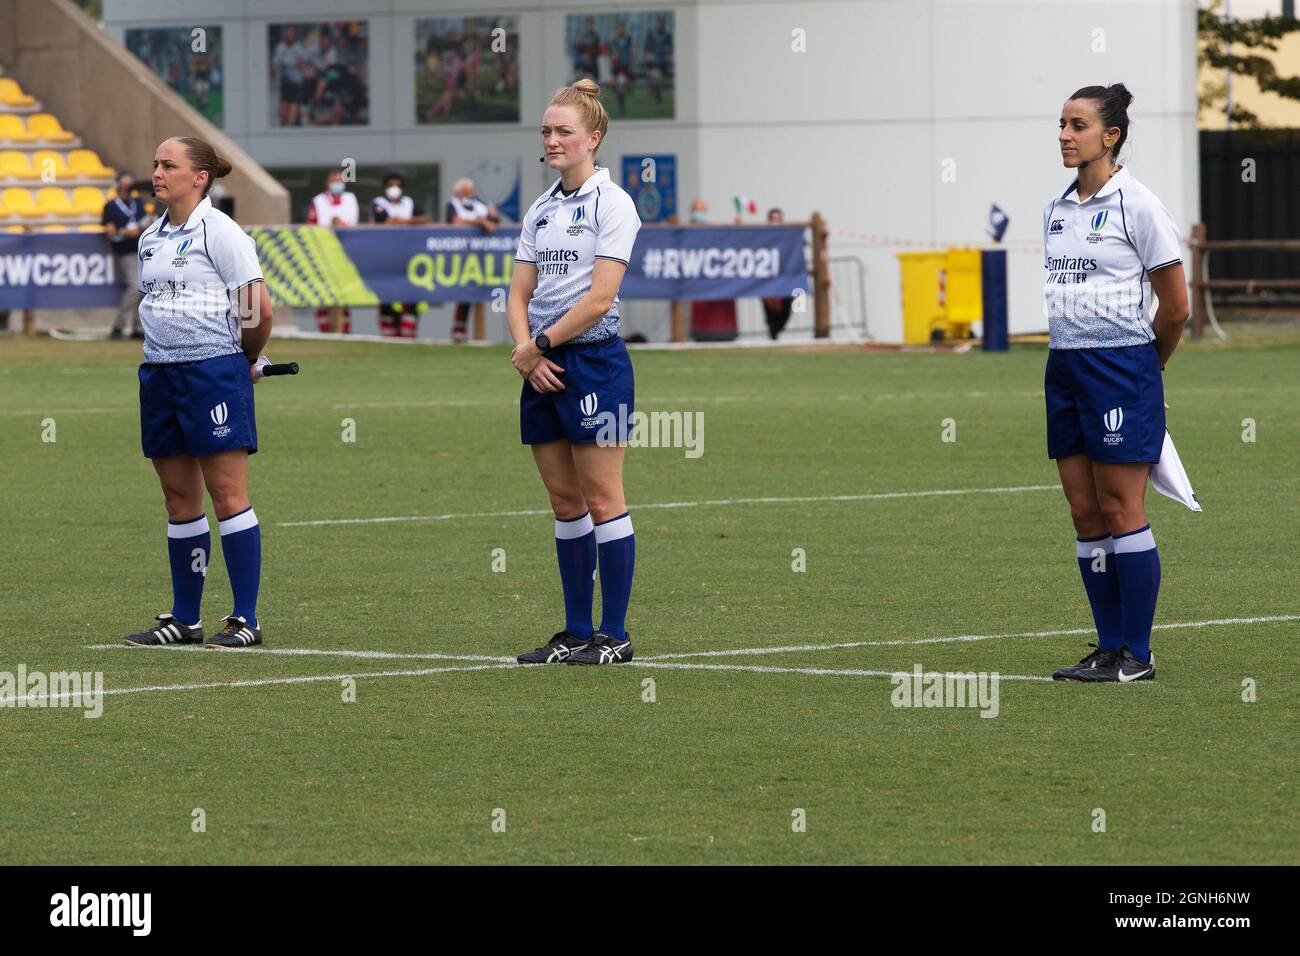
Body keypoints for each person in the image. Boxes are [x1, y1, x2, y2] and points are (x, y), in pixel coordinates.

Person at [1043, 84, 1188, 683]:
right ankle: (1107, 647)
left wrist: (1145, 371)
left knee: (1120, 507)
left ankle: (1137, 653)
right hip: (1065, 368)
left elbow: (1175, 307)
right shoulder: (1056, 207)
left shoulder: (1139, 205)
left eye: (1077, 125)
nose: (1064, 135)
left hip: (1121, 367)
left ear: (1111, 136)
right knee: (1084, 513)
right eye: (1061, 124)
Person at [122, 136, 274, 649]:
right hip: (160, 375)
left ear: (200, 177)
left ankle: (245, 619)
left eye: (169, 165)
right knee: (178, 498)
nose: (157, 172)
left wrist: (245, 360)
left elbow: (256, 309)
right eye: (156, 162)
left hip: (213, 375)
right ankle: (185, 619)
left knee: (228, 494)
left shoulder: (221, 232)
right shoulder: (150, 238)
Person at [509, 78, 642, 665]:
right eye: (546, 131)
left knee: (603, 496)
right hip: (539, 365)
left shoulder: (614, 204)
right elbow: (517, 293)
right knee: (565, 502)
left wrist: (536, 345)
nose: (553, 139)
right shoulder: (541, 208)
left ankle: (615, 635)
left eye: (564, 131)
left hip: (594, 363)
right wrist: (527, 350)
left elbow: (598, 298)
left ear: (594, 137)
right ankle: (575, 631)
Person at [372, 172, 429, 338]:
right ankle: (389, 333)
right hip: (385, 258)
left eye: (397, 185)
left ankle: (408, 332)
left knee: (409, 294)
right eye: (390, 185)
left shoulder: (408, 202)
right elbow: (384, 220)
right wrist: (405, 221)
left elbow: (424, 218)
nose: (394, 189)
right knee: (387, 295)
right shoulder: (379, 202)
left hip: (407, 257)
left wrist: (404, 221)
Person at [445, 177, 498, 342]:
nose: (469, 195)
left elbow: (493, 222)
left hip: (480, 257)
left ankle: (472, 333)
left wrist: (492, 217)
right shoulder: (453, 204)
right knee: (464, 292)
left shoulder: (479, 206)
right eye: (465, 192)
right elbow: (455, 221)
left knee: (479, 291)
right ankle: (459, 330)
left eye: (471, 192)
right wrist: (480, 221)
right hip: (459, 255)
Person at [307, 169, 359, 333]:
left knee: (343, 296)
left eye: (340, 181)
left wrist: (340, 224)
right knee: (325, 295)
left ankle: (343, 331)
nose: (337, 184)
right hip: (324, 253)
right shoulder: (318, 201)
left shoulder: (350, 199)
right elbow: (312, 225)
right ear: (327, 183)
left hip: (345, 254)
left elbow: (353, 223)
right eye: (334, 181)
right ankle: (326, 332)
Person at [102, 173, 148, 340]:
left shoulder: (137, 203)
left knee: (144, 289)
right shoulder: (111, 206)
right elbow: (110, 232)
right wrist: (125, 232)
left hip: (142, 250)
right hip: (126, 250)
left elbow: (145, 222)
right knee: (135, 286)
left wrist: (142, 228)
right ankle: (119, 325)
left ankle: (139, 327)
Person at [761, 207, 795, 340]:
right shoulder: (763, 237)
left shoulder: (789, 236)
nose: (776, 222)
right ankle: (773, 333)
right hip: (768, 279)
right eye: (773, 219)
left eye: (778, 219)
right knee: (769, 307)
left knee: (790, 306)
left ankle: (778, 328)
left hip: (786, 278)